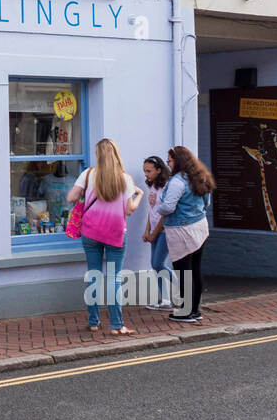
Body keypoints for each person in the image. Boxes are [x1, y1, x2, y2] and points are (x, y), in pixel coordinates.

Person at [68, 138, 144, 335]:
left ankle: (93, 322)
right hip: (115, 233)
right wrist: (140, 195)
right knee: (114, 279)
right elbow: (129, 210)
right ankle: (117, 326)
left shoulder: (88, 174)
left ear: (98, 155)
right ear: (115, 154)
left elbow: (71, 198)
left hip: (90, 232)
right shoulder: (125, 179)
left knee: (93, 275)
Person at [150, 145, 216, 323]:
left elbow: (168, 207)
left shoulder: (177, 182)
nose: (168, 164)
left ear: (177, 161)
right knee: (195, 270)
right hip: (200, 227)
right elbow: (206, 202)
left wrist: (158, 206)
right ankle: (195, 310)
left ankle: (186, 312)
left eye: (169, 161)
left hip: (181, 231)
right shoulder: (199, 177)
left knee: (184, 272)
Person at [140, 155, 174, 311]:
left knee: (158, 263)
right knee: (156, 266)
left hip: (164, 230)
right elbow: (151, 210)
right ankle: (165, 300)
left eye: (149, 171)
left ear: (159, 170)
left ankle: (186, 287)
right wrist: (147, 230)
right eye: (144, 171)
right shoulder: (151, 185)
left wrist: (154, 233)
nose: (146, 174)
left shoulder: (167, 186)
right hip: (154, 231)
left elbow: (164, 213)